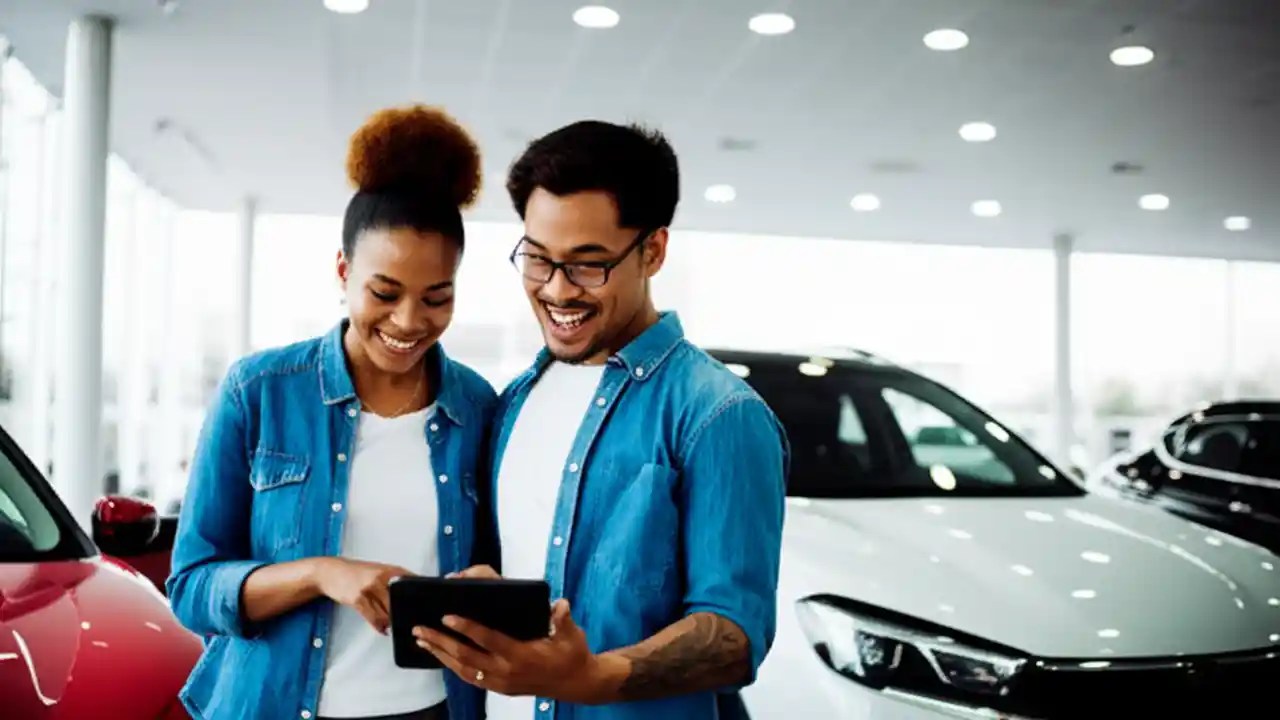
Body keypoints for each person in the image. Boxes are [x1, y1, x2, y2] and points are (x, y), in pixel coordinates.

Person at [413, 120, 789, 720]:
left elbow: (734, 636)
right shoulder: (513, 402)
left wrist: (591, 677)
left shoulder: (719, 414)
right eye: (537, 259)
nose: (557, 290)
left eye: (589, 265)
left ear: (654, 251)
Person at [167, 105, 496, 720]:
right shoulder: (258, 391)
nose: (408, 322)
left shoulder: (478, 408)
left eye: (437, 298)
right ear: (344, 272)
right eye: (385, 292)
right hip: (273, 707)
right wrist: (321, 574)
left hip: (433, 710)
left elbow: (500, 571)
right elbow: (190, 588)